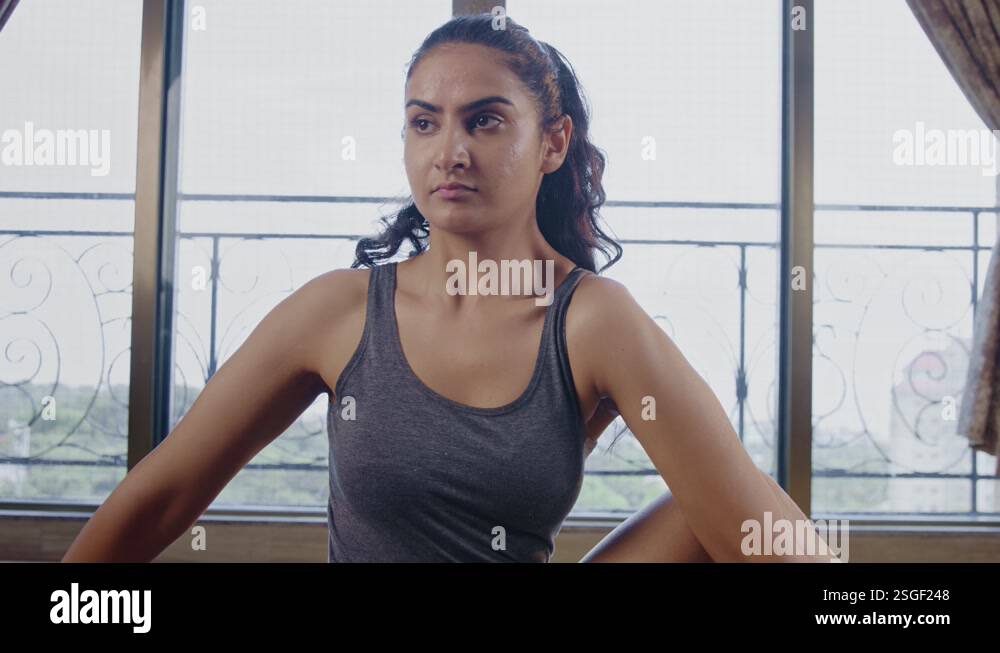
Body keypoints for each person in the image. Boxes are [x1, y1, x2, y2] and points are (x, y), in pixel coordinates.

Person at [62, 13, 838, 563]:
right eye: (425, 123)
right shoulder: (337, 312)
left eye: (487, 121)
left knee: (711, 513)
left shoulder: (593, 322)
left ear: (552, 143)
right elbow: (162, 495)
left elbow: (769, 536)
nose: (451, 151)